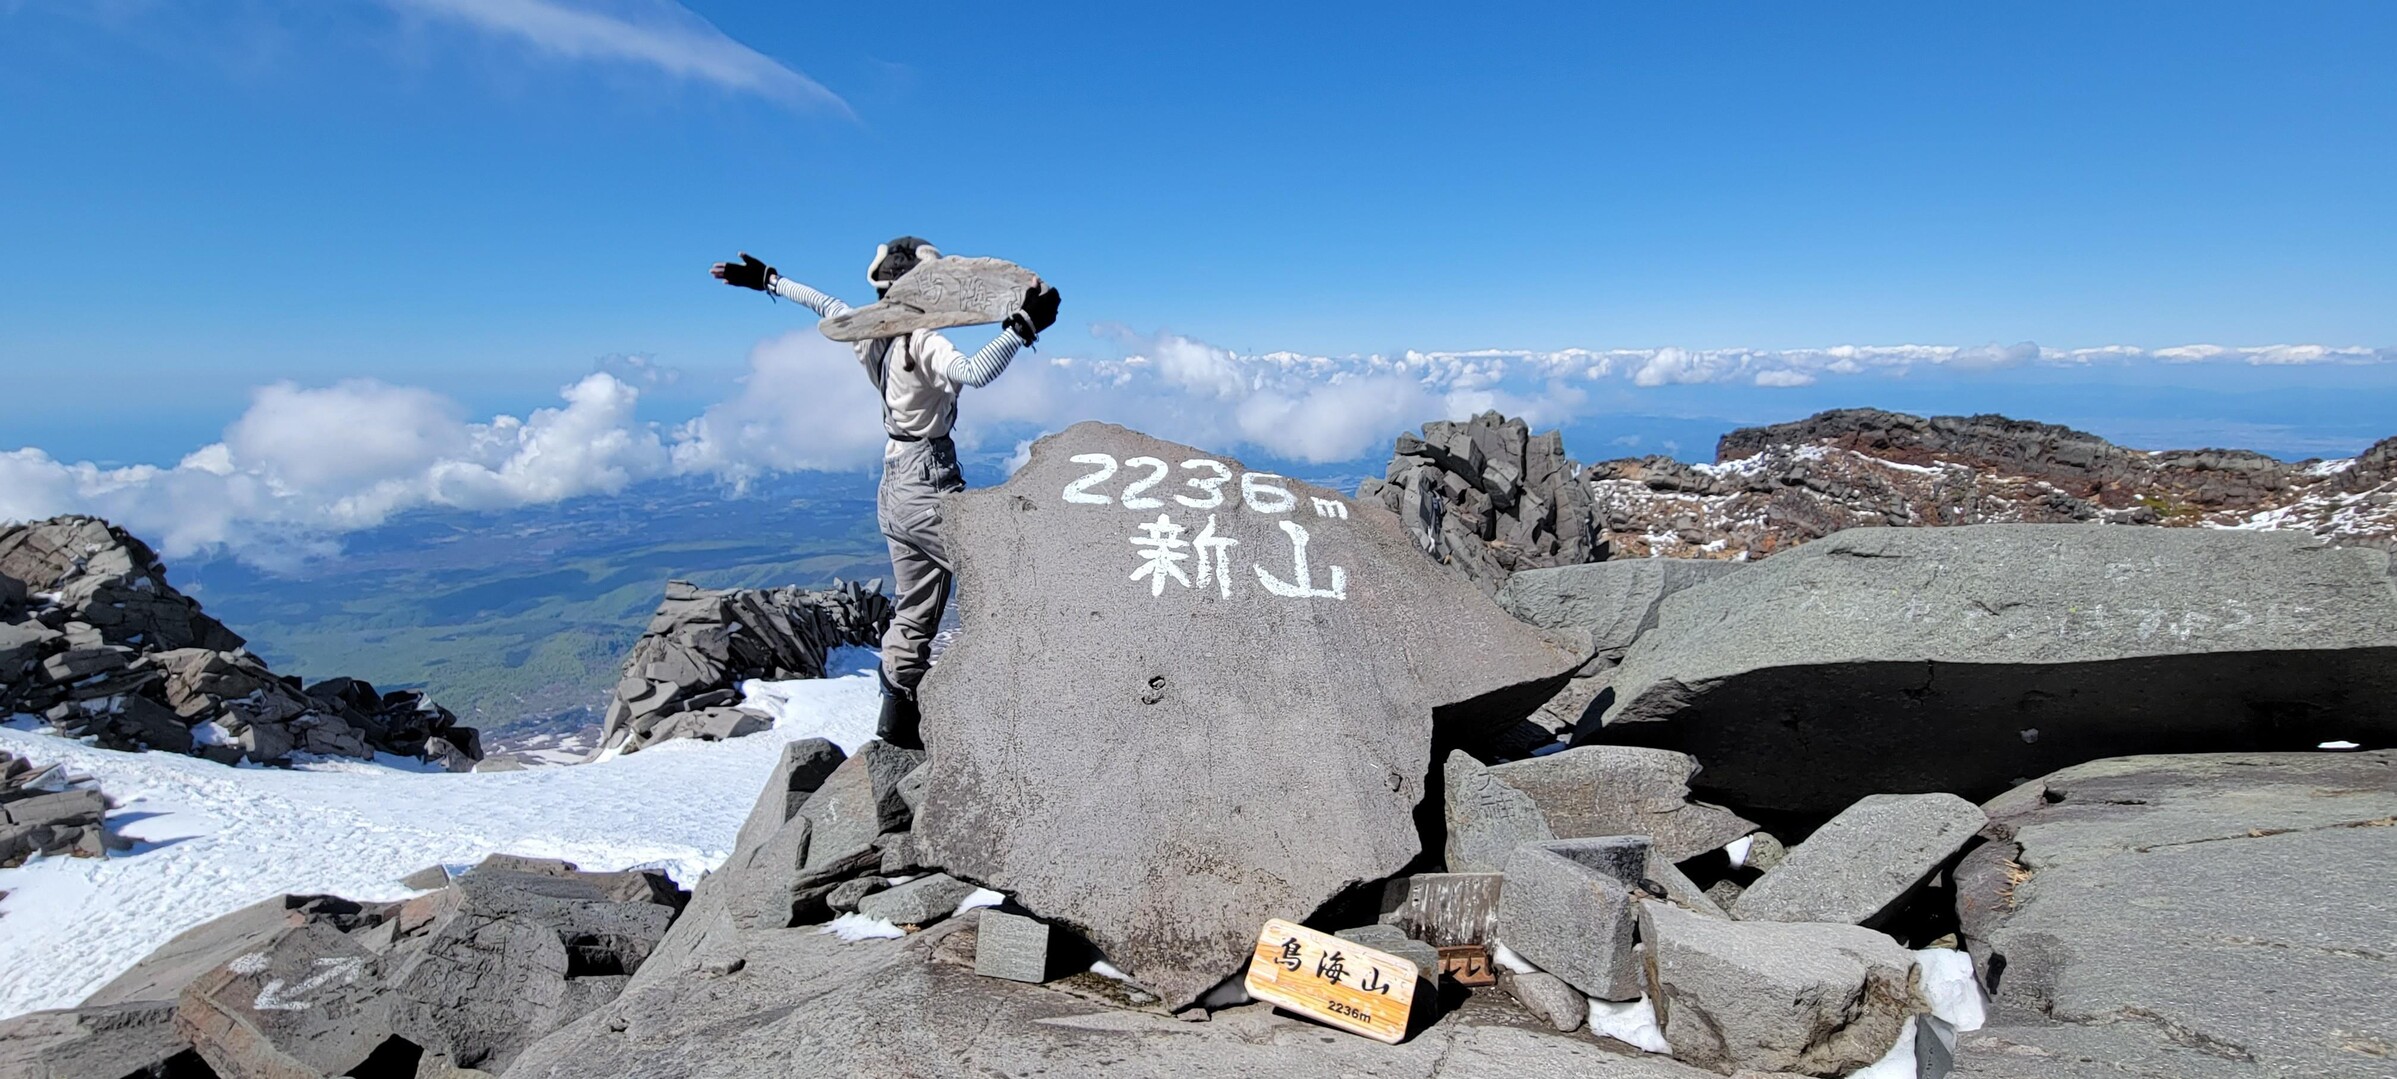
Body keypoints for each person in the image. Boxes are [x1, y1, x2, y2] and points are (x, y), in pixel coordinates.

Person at [711, 238, 1059, 749]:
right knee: (1006, 574)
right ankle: (1031, 700)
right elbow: (975, 373)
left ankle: (897, 723)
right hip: (930, 482)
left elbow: (826, 306)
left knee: (916, 606)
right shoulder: (921, 339)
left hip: (893, 486)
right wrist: (1023, 328)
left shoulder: (872, 335)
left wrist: (769, 281)